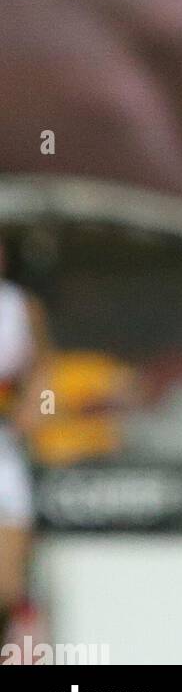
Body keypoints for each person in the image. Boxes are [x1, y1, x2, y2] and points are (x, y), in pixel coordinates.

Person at [0, 242, 53, 658]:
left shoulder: (20, 306)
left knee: (11, 579)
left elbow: (43, 370)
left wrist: (34, 409)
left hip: (4, 443)